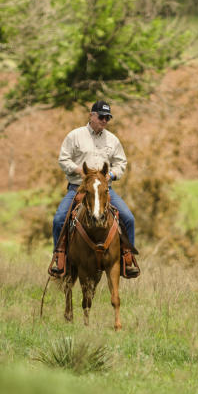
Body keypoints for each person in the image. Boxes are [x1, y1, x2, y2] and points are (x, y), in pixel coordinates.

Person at [48, 99, 140, 279]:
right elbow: (63, 159)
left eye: (108, 118)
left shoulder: (112, 140)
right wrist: (78, 170)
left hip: (105, 190)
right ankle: (60, 256)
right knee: (59, 219)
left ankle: (127, 259)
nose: (104, 121)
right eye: (101, 117)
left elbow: (121, 163)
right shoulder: (75, 136)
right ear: (91, 115)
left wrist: (111, 175)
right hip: (78, 188)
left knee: (128, 218)